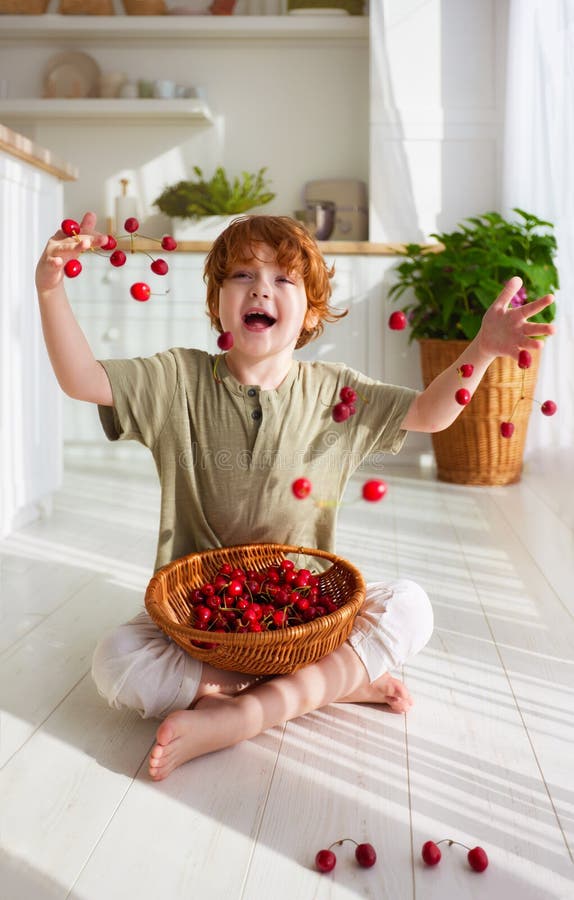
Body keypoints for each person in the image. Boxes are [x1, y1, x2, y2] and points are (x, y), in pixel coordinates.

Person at [35, 212, 555, 781]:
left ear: (309, 313)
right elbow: (82, 377)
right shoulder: (176, 380)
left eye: (283, 279)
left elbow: (431, 413)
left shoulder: (338, 392)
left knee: (411, 606)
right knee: (115, 664)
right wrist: (50, 288)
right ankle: (331, 685)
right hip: (201, 618)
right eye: (241, 275)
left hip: (306, 614)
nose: (261, 287)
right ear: (217, 304)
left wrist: (480, 348)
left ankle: (240, 715)